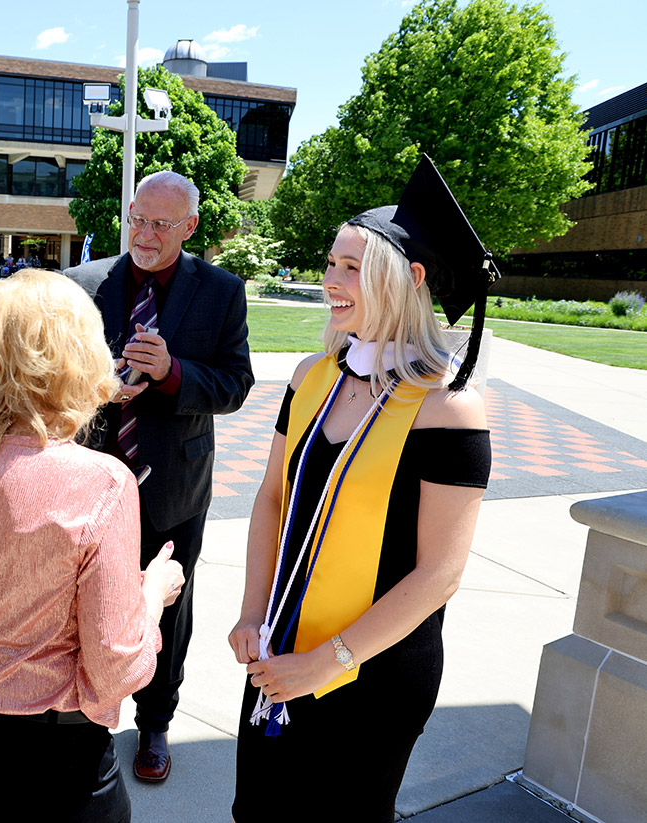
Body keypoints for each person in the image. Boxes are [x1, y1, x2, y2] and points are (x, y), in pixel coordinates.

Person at [227, 155, 494, 821]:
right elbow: (271, 498)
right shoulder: (310, 377)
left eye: (352, 268)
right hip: (284, 643)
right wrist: (252, 613)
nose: (331, 282)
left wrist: (329, 661)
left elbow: (440, 573)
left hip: (375, 666)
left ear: (410, 278)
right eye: (330, 264)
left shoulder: (447, 405)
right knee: (258, 810)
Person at [0, 269, 185, 822]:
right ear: (80, 358)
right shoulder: (103, 483)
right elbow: (115, 666)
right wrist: (152, 594)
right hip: (58, 755)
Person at [64, 170, 254, 782]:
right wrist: (101, 389)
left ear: (190, 227)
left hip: (172, 486)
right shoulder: (83, 286)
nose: (144, 233)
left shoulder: (222, 291)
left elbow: (234, 385)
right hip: (87, 481)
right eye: (137, 219)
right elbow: (52, 377)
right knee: (79, 602)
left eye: (161, 224)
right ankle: (86, 719)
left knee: (167, 604)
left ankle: (154, 724)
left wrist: (173, 374)